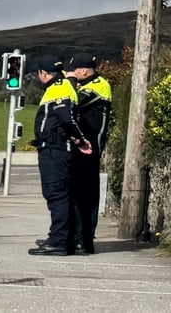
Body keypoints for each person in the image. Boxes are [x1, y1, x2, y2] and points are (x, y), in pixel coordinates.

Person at [29, 57, 94, 256]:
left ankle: (58, 242)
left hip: (55, 150)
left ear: (43, 74)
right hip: (56, 149)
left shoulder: (59, 89)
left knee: (56, 195)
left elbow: (66, 119)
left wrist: (80, 141)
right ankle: (59, 238)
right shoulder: (61, 87)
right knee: (59, 194)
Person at [68, 54, 112, 254]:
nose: (73, 73)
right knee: (76, 194)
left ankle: (84, 241)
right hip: (82, 147)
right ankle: (75, 238)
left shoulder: (99, 85)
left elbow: (76, 102)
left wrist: (69, 82)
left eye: (75, 70)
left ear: (84, 70)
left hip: (91, 149)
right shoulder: (87, 84)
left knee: (86, 196)